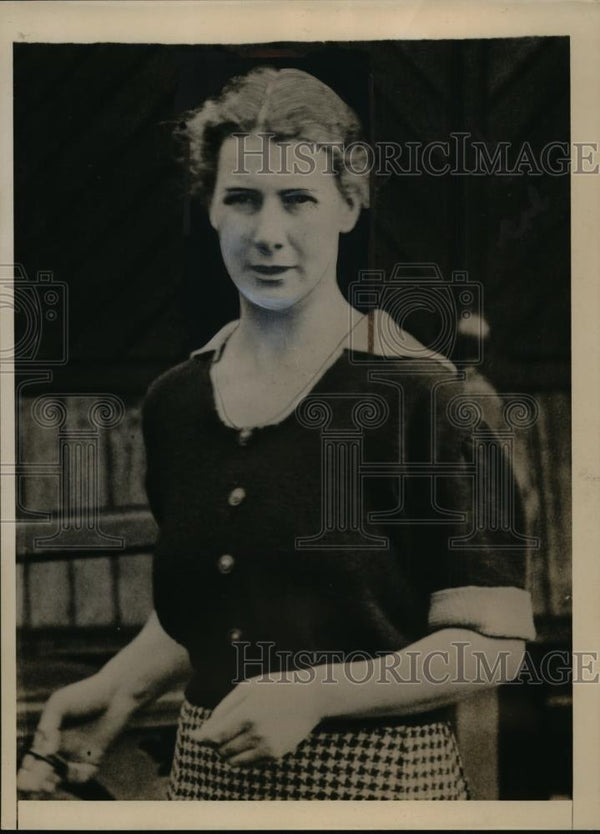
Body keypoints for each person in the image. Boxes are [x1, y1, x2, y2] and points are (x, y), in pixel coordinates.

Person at [18, 66, 536, 801]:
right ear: (211, 209)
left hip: (379, 790)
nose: (268, 234)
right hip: (206, 783)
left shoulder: (422, 397)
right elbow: (214, 605)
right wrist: (121, 688)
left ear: (348, 207)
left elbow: (492, 647)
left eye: (298, 199)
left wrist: (318, 694)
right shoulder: (177, 401)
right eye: (242, 199)